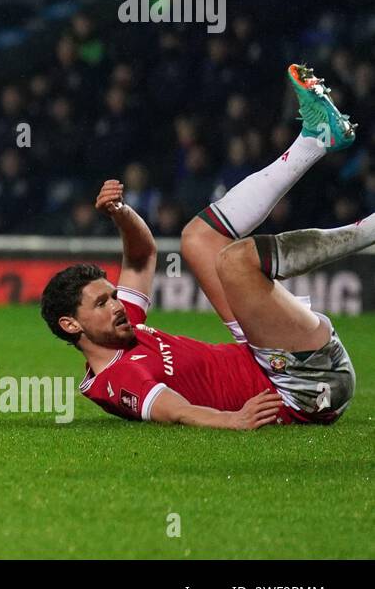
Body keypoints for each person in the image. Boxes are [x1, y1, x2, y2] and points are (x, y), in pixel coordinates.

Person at [40, 65, 358, 428]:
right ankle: (364, 226)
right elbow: (173, 410)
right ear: (70, 324)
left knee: (198, 238)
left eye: (111, 295)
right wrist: (232, 420)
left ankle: (316, 139)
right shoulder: (115, 381)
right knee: (238, 261)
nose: (116, 305)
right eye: (101, 303)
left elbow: (142, 256)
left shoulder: (124, 329)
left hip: (270, 359)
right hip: (299, 389)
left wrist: (121, 213)